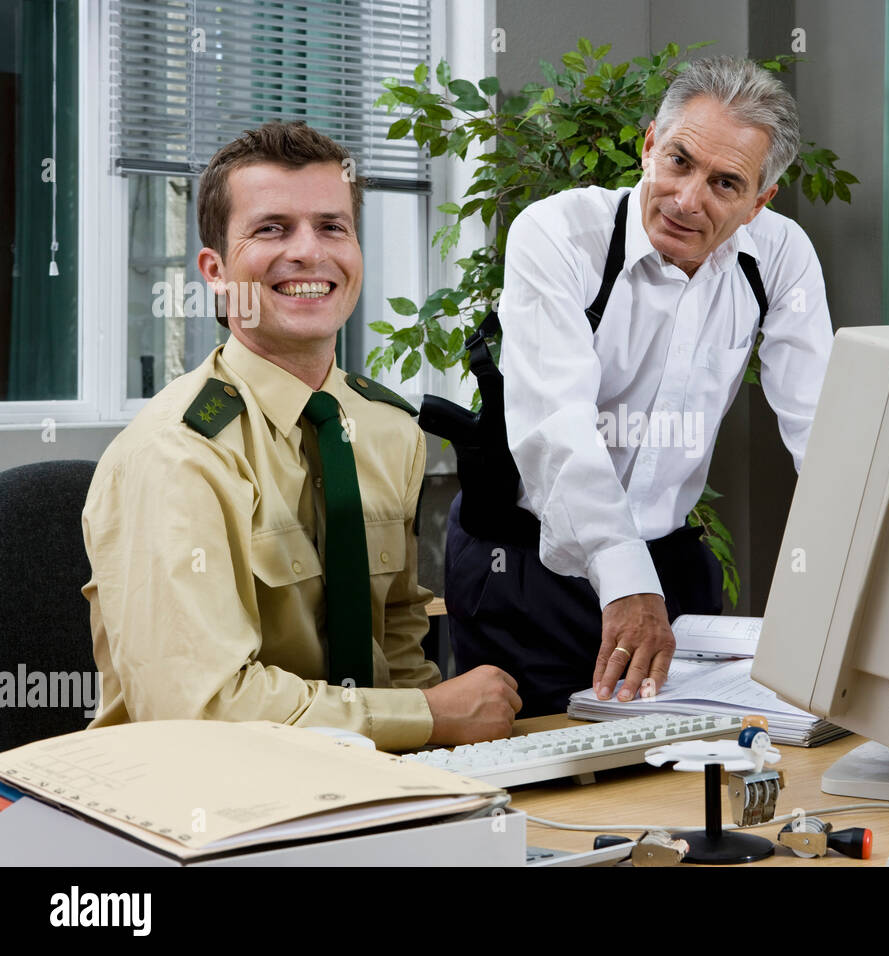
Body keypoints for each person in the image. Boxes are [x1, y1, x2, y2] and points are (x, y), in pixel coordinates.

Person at [81, 121, 520, 751]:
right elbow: (198, 713)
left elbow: (395, 641)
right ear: (214, 269)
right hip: (202, 812)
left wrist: (457, 759)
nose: (310, 252)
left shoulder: (387, 430)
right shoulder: (175, 454)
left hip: (374, 796)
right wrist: (427, 716)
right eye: (272, 228)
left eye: (332, 226)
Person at [445, 57, 833, 717]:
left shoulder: (779, 257)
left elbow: (825, 433)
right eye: (679, 162)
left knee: (689, 771)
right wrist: (624, 584)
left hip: (668, 562)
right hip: (531, 562)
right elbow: (557, 430)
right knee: (540, 777)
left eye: (725, 183)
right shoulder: (560, 235)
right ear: (650, 144)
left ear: (759, 203)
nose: (688, 200)